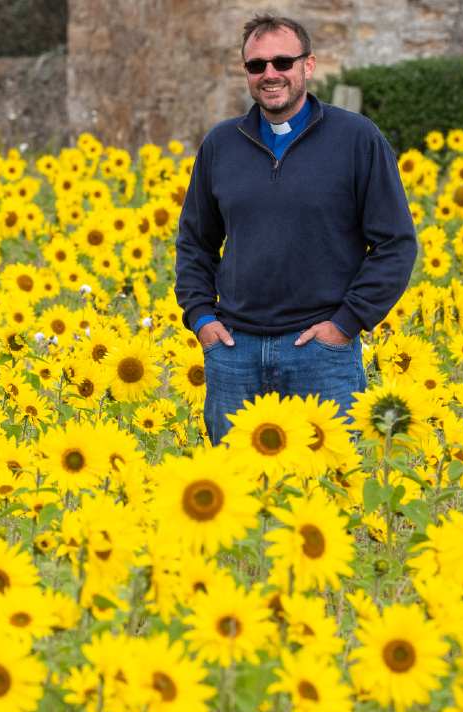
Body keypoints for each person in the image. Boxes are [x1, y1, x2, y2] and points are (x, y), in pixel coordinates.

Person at [172, 14, 417, 446]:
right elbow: (196, 241)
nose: (270, 74)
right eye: (256, 65)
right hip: (234, 353)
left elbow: (395, 243)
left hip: (321, 356)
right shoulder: (221, 145)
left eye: (283, 61)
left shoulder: (358, 139)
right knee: (237, 494)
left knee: (333, 491)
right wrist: (201, 317)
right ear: (246, 72)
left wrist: (346, 324)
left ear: (308, 65)